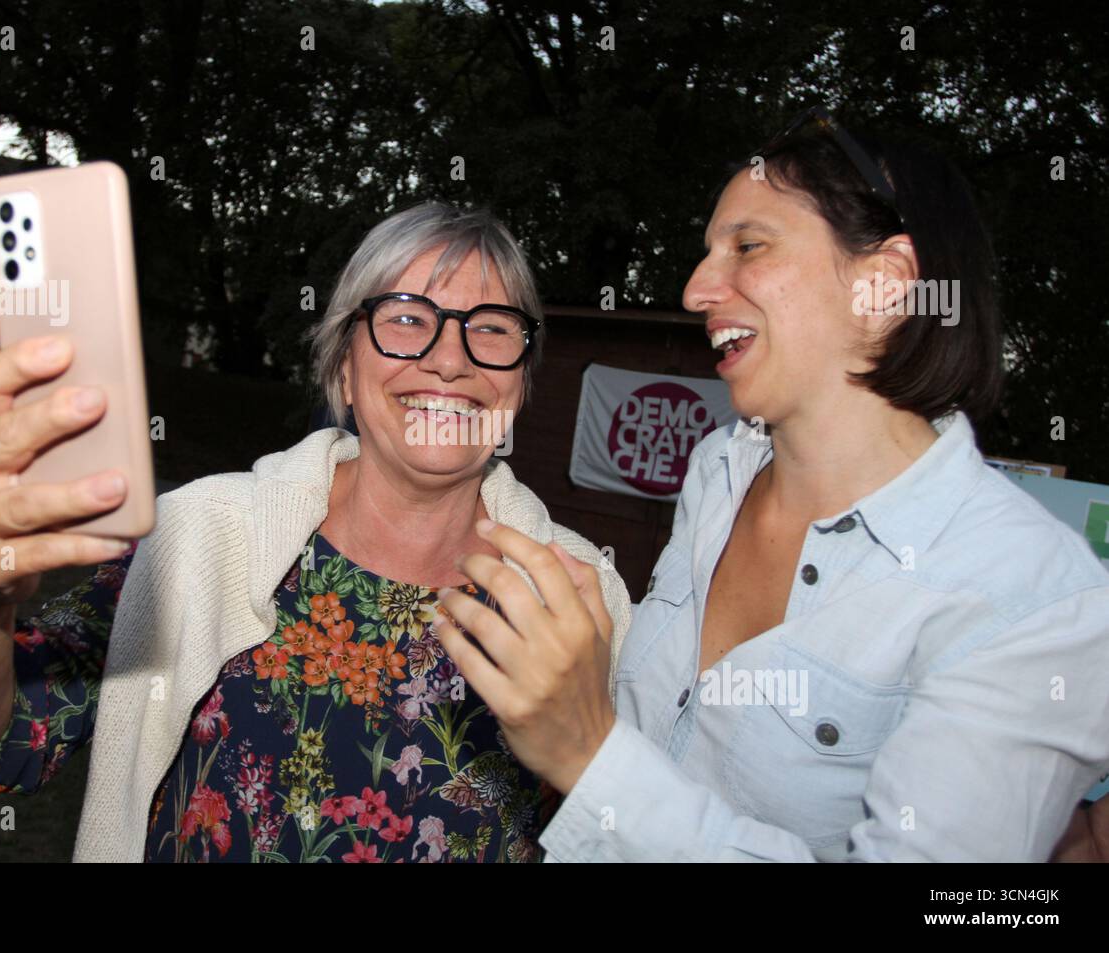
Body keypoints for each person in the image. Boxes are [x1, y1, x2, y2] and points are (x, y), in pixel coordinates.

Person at [434, 107, 1109, 861]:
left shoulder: (1035, 598)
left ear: (883, 286)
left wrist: (589, 756)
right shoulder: (718, 470)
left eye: (748, 246)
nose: (695, 290)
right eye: (705, 251)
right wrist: (590, 671)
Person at [0, 201, 632, 863]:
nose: (447, 358)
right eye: (407, 316)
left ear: (522, 381)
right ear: (342, 367)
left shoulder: (580, 598)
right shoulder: (201, 540)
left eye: (492, 329)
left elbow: (629, 833)